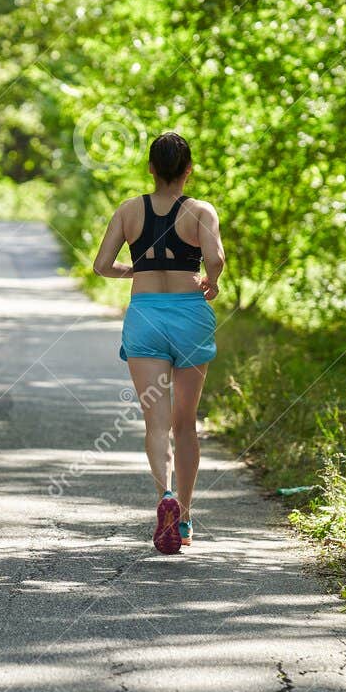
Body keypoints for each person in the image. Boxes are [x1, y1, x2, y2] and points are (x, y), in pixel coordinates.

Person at [91, 132, 225, 554]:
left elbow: (100, 266)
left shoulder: (130, 210)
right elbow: (216, 258)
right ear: (188, 170)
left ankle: (164, 496)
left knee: (157, 424)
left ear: (151, 168)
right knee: (187, 424)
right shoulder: (200, 211)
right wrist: (212, 282)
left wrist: (136, 272)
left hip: (145, 316)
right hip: (189, 315)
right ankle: (183, 517)